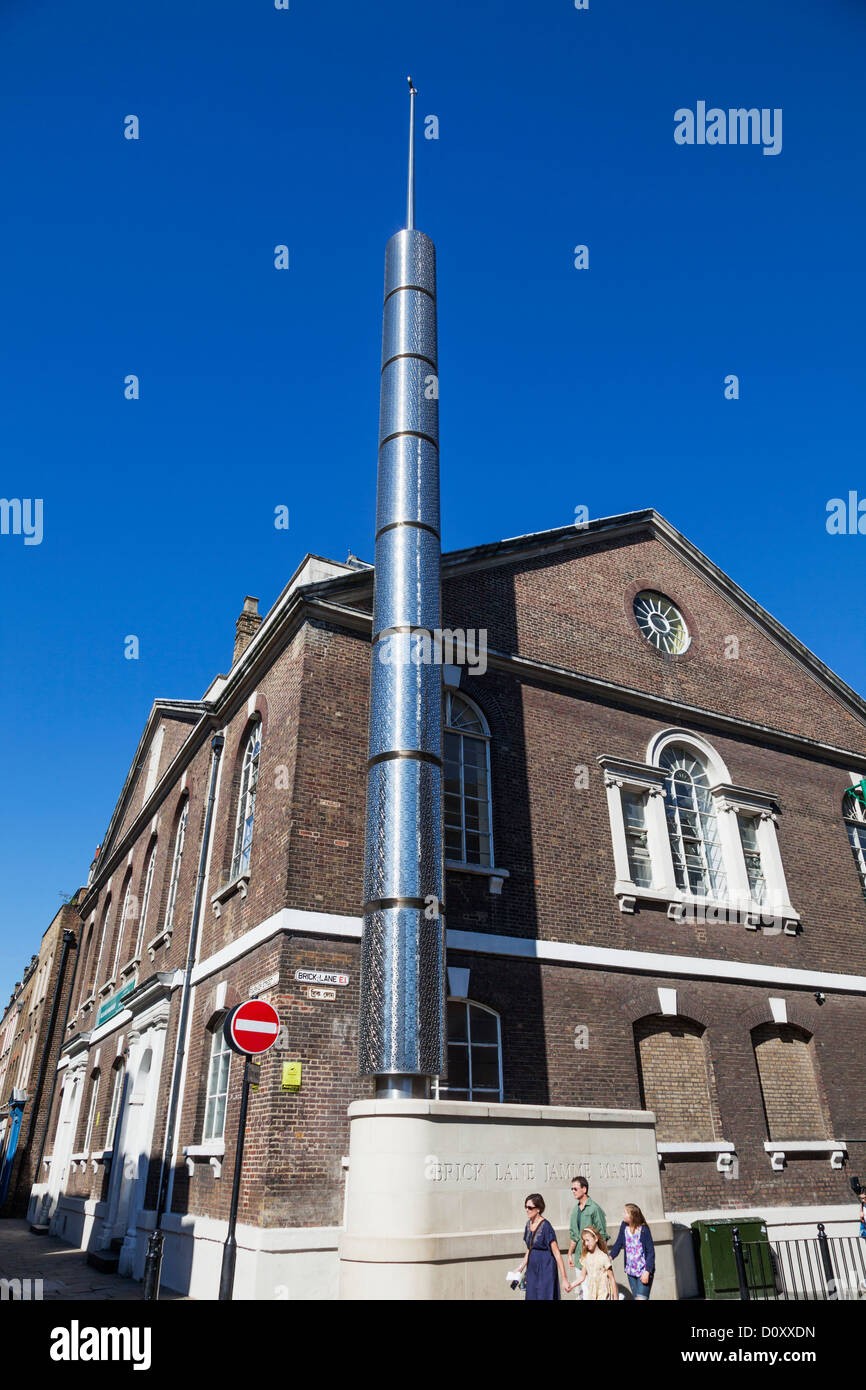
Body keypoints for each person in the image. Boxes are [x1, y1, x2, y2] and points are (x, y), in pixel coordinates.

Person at [518, 1193, 569, 1300]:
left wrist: (564, 1278)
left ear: (538, 1209)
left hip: (546, 1269)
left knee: (545, 1296)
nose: (527, 1210)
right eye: (526, 1207)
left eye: (530, 1207)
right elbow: (529, 1249)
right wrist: (520, 1268)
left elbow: (556, 1253)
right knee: (532, 1296)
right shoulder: (528, 1225)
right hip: (532, 1269)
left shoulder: (546, 1226)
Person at [567, 1176, 609, 1285]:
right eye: (572, 1189)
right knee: (581, 1293)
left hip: (592, 1259)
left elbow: (602, 1235)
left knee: (592, 1291)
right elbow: (574, 1236)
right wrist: (570, 1254)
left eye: (575, 1189)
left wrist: (600, 1258)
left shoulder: (594, 1208)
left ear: (584, 1189)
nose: (573, 1191)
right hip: (579, 1260)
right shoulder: (575, 1210)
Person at [609, 1202, 655, 1300]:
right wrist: (610, 1257)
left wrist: (647, 1271)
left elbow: (651, 1252)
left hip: (643, 1271)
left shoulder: (644, 1229)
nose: (623, 1214)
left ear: (632, 1216)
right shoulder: (624, 1226)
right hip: (631, 1272)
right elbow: (618, 1244)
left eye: (625, 1213)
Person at [566, 1226, 617, 1300]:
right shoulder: (586, 1257)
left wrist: (615, 1298)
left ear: (596, 1239)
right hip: (592, 1294)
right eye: (584, 1241)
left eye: (588, 1240)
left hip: (603, 1293)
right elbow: (582, 1277)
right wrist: (571, 1285)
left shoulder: (603, 1257)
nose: (586, 1243)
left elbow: (612, 1279)